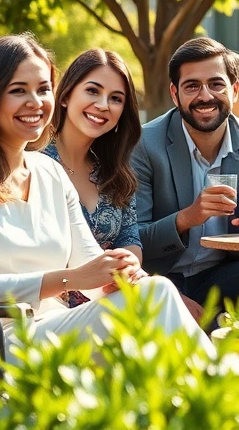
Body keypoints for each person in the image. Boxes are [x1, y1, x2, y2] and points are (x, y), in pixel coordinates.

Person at [0, 34, 213, 362]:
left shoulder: (50, 173)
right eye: (18, 90)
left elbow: (89, 266)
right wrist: (71, 279)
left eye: (42, 89)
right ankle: (227, 399)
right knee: (158, 297)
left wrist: (119, 277)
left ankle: (214, 400)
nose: (36, 102)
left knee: (153, 292)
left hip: (50, 330)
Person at [131, 37, 239, 316]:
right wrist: (188, 217)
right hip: (161, 279)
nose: (205, 96)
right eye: (192, 86)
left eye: (216, 84)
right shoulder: (145, 143)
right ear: (175, 94)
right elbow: (134, 237)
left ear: (234, 90)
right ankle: (217, 327)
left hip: (221, 276)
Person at [41, 49, 143, 308]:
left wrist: (129, 265)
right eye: (92, 91)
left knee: (158, 292)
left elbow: (129, 238)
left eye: (116, 98)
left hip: (112, 297)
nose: (103, 105)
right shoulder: (35, 164)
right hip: (51, 310)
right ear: (64, 97)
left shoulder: (115, 173)